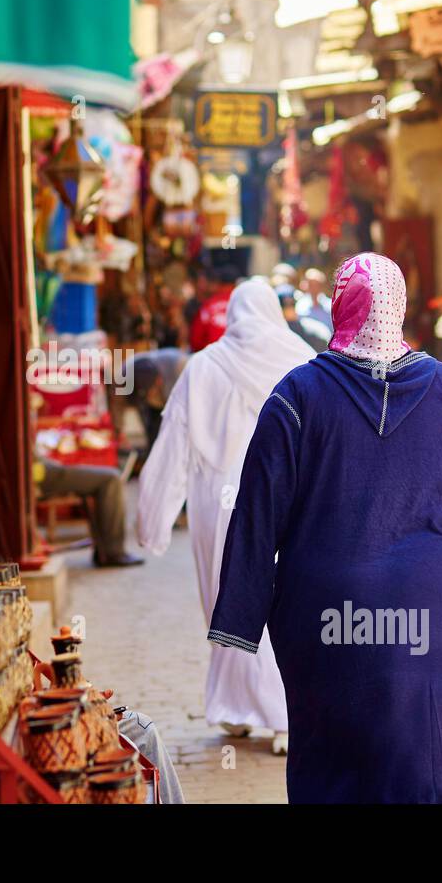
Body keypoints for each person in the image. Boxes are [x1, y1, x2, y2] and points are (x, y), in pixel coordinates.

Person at [209, 253, 442, 803]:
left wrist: (242, 615)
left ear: (342, 305)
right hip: (436, 617)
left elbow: (256, 515)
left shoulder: (295, 397)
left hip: (330, 619)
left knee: (333, 763)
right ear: (400, 307)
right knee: (438, 767)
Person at [137, 279, 316, 754]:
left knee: (227, 603)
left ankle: (256, 711)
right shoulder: (300, 361)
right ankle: (258, 711)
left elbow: (173, 442)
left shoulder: (204, 366)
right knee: (282, 602)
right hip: (285, 501)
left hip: (218, 503)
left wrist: (152, 523)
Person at [39, 457, 143, 568]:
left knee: (106, 475)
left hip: (38, 469)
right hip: (38, 473)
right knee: (112, 478)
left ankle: (105, 551)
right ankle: (113, 552)